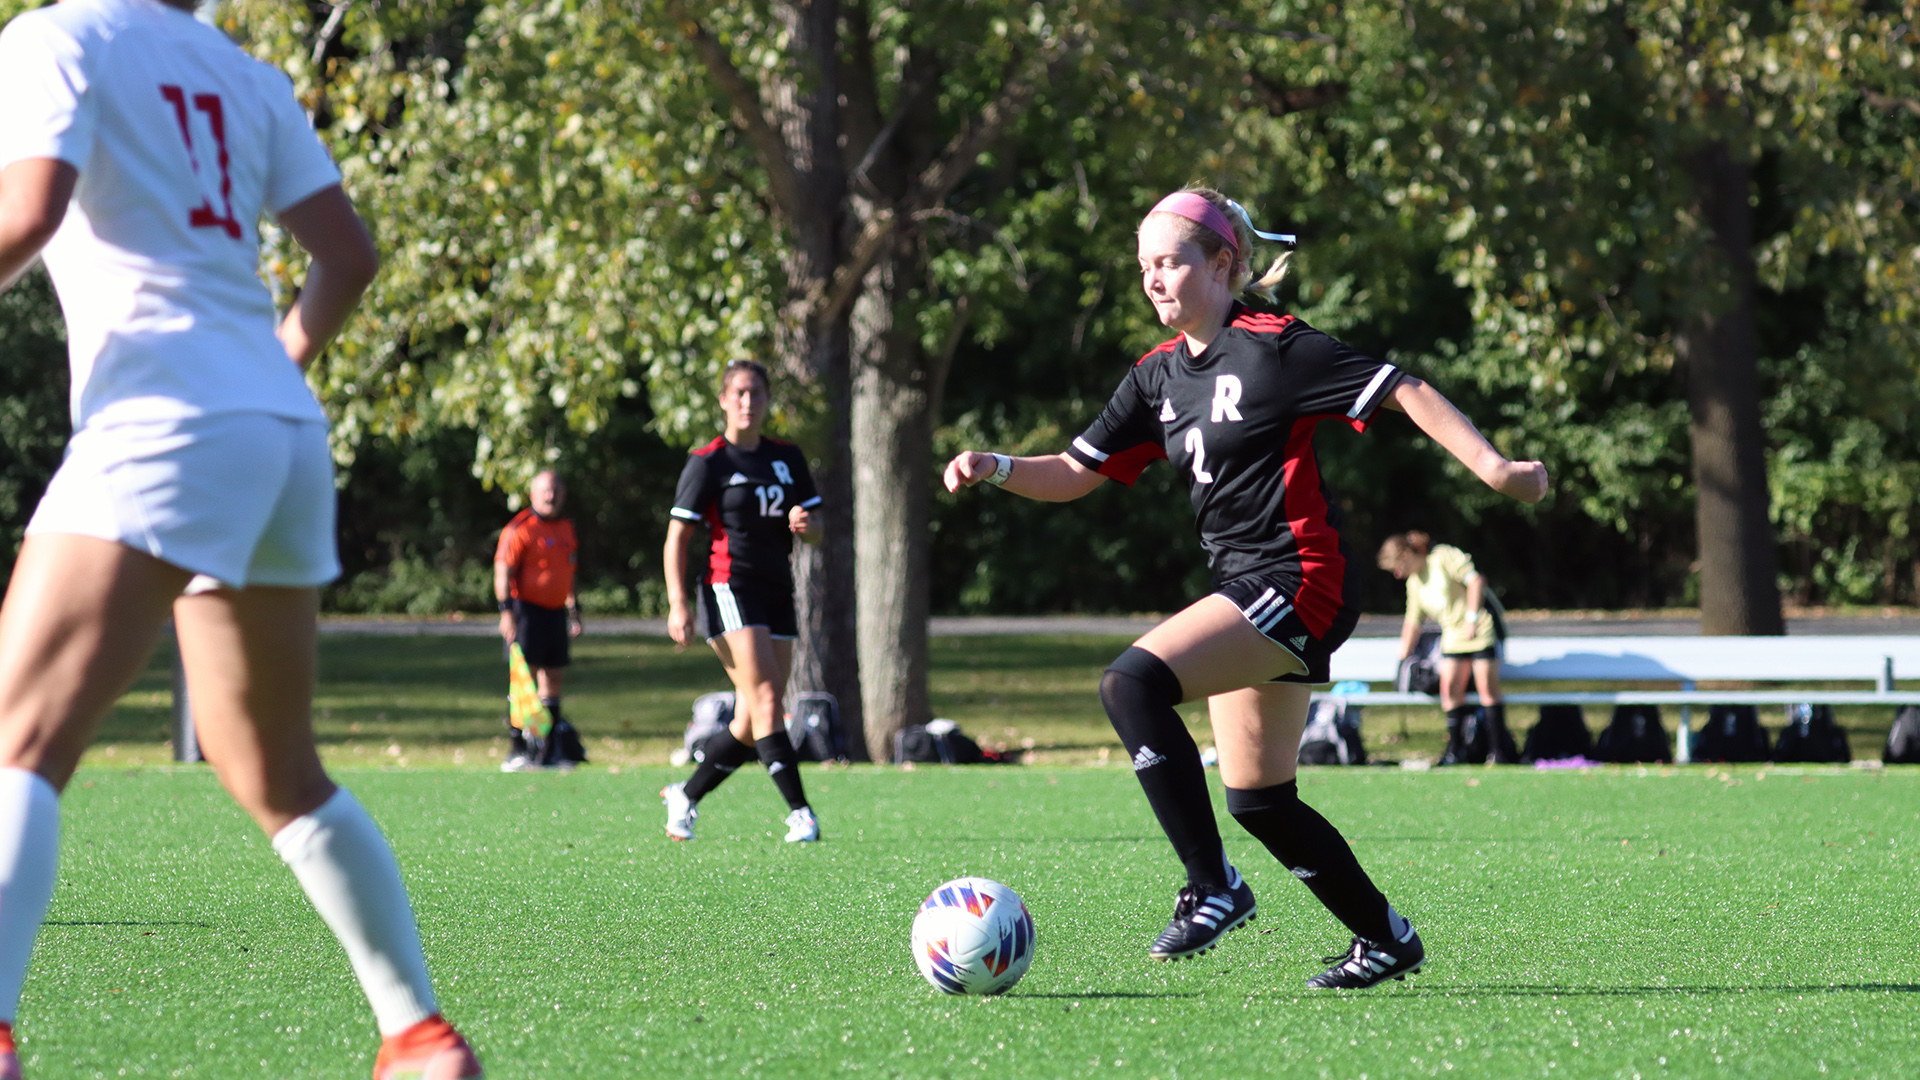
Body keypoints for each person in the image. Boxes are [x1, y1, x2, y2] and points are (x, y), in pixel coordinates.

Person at [0, 2, 482, 1076]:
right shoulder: (241, 69)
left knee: (14, 739)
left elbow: (29, 212)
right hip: (276, 427)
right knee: (274, 767)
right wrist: (269, 369)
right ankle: (418, 1035)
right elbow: (347, 256)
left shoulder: (55, 38)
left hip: (159, 422)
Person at [943, 187, 1548, 988]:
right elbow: (1075, 472)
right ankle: (1387, 939)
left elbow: (1403, 386)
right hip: (1247, 585)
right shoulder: (1157, 377)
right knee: (1259, 800)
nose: (1154, 279)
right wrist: (999, 467)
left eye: (1171, 262)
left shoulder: (1276, 347)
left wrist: (1497, 469)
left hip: (1300, 578)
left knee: (1130, 684)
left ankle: (1213, 885)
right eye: (1144, 267)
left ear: (1223, 265)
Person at [660, 360, 824, 843]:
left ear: (768, 399)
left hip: (778, 591)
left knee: (752, 719)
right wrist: (677, 602)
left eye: (756, 393)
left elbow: (818, 530)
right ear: (724, 400)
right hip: (728, 587)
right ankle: (800, 812)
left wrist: (805, 525)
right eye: (739, 393)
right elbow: (677, 537)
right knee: (769, 699)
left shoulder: (787, 457)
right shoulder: (709, 461)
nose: (748, 402)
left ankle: (686, 794)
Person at [1379, 531, 1516, 764]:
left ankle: (1498, 751)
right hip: (1452, 635)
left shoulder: (1443, 557)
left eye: (1396, 567)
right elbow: (1413, 620)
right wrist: (1402, 659)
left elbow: (1476, 581)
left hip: (1479, 629)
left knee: (1486, 688)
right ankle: (1456, 750)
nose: (1397, 574)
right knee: (1450, 691)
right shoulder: (1414, 582)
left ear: (1405, 554)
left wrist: (1472, 618)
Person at [494, 469, 584, 771]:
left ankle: (548, 750)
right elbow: (502, 573)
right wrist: (506, 613)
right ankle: (517, 749)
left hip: (555, 613)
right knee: (524, 680)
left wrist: (574, 610)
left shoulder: (566, 528)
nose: (551, 496)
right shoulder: (519, 528)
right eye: (546, 490)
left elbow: (569, 572)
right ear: (532, 494)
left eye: (556, 489)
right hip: (526, 612)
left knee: (553, 680)